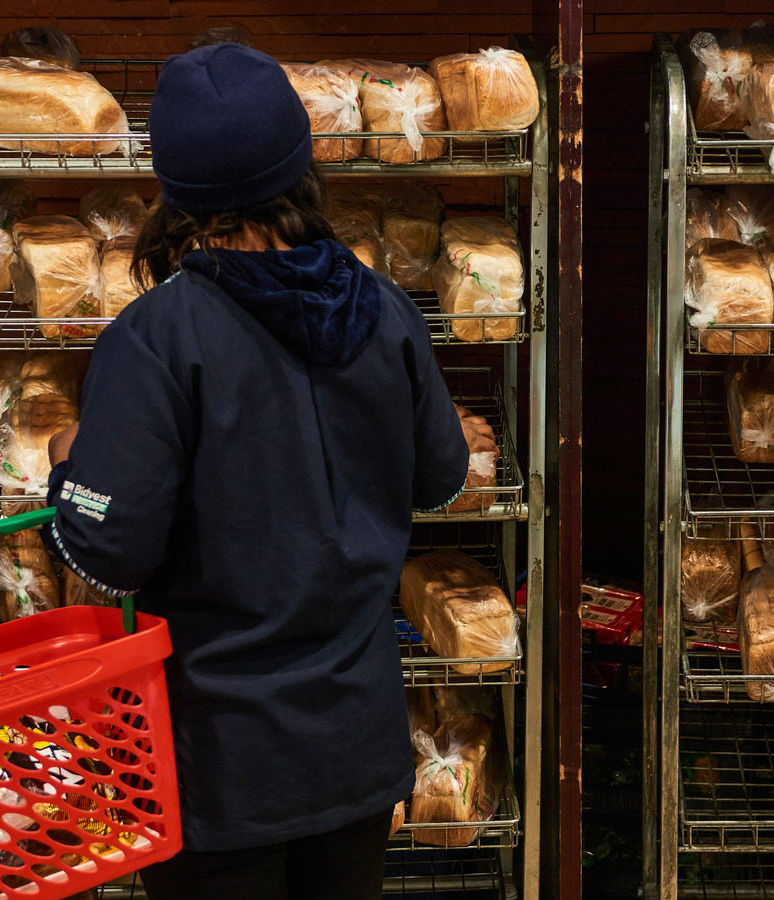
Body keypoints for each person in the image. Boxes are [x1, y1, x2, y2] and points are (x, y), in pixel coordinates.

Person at [41, 42, 492, 899]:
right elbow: (442, 478)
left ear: (177, 192)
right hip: (359, 750)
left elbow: (111, 551)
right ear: (301, 166)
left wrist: (69, 471)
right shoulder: (385, 307)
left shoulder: (158, 339)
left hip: (223, 767)